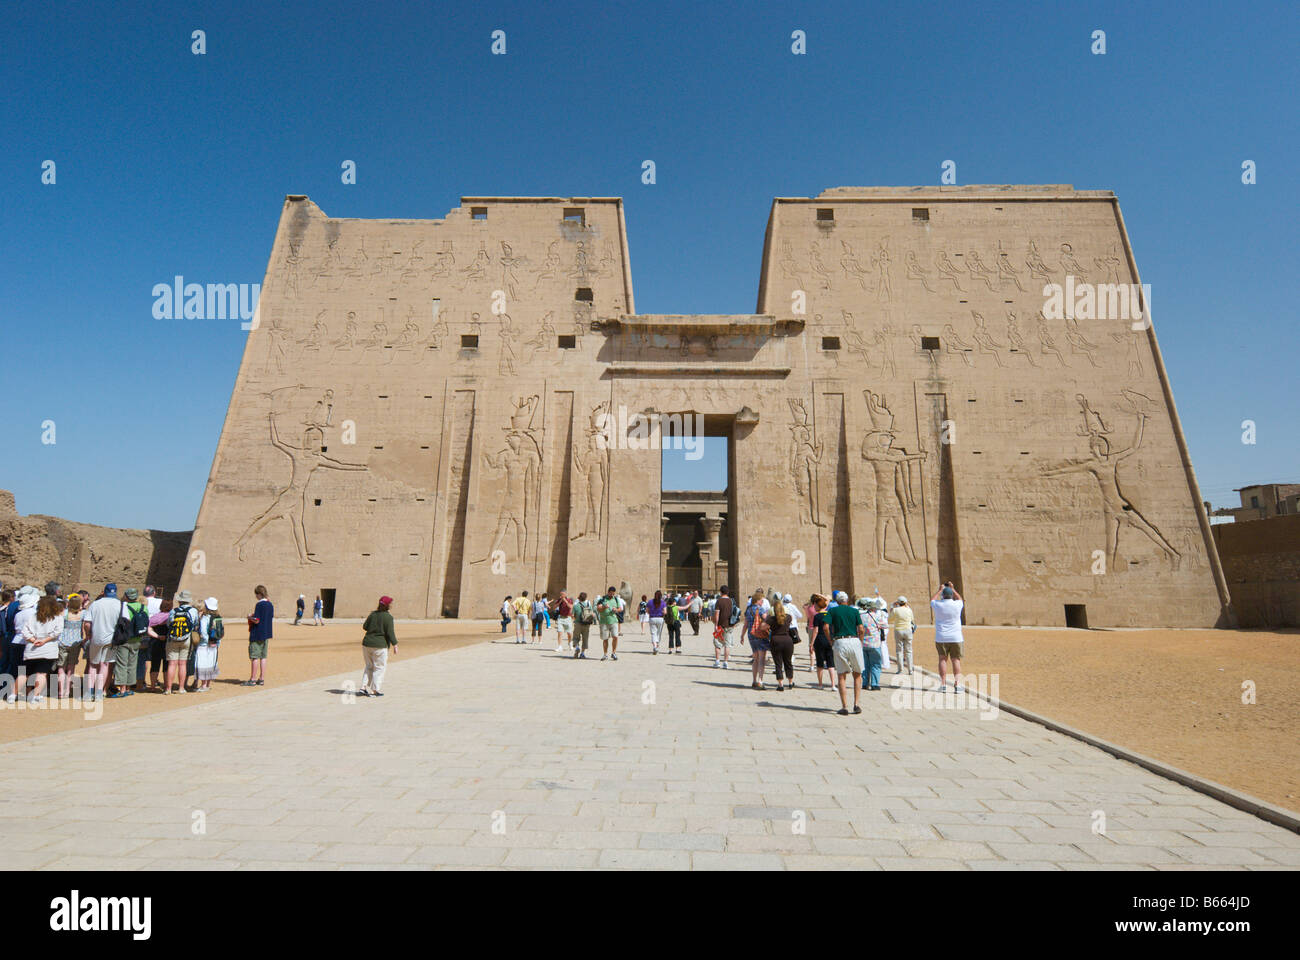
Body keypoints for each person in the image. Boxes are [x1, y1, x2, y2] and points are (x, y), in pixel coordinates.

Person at [82, 583, 123, 702]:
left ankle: (89, 693)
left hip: (96, 638)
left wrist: (89, 634)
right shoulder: (119, 605)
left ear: (104, 592)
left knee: (93, 665)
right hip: (112, 639)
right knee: (105, 665)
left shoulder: (95, 604)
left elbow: (87, 623)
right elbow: (125, 621)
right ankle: (99, 693)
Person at [828, 590, 865, 715]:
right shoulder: (854, 611)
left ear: (837, 601)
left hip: (840, 641)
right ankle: (857, 704)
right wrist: (860, 640)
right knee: (857, 673)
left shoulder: (832, 611)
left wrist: (830, 640)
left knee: (842, 675)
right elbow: (861, 628)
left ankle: (844, 706)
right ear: (847, 600)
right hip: (854, 641)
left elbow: (825, 627)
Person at [20, 593, 61, 703]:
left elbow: (24, 631)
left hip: (32, 648)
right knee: (41, 674)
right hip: (47, 649)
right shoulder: (57, 618)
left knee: (28, 673)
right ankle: (35, 695)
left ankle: (27, 694)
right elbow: (56, 632)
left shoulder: (32, 617)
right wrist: (44, 640)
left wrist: (33, 640)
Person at [108, 587, 149, 698]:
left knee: (122, 663)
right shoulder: (143, 607)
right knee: (132, 663)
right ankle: (129, 687)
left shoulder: (124, 606)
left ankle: (122, 690)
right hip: (137, 639)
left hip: (125, 638)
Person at [359, 595, 398, 697]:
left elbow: (365, 626)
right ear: (388, 605)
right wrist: (395, 644)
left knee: (369, 666)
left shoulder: (372, 614)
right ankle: (375, 690)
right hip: (380, 646)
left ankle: (363, 687)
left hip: (367, 644)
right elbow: (390, 632)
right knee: (379, 668)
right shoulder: (388, 617)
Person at [931, 582, 965, 692]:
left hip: (941, 637)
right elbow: (960, 598)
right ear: (951, 595)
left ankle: (943, 684)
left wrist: (940, 590)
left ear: (942, 595)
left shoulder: (938, 605)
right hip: (956, 637)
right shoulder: (957, 604)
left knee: (942, 659)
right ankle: (957, 684)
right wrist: (953, 588)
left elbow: (932, 600)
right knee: (956, 660)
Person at [165, 589, 200, 695]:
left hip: (173, 638)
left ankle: (168, 689)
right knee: (182, 664)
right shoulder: (193, 611)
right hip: (186, 639)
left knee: (172, 664)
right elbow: (195, 624)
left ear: (180, 600)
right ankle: (181, 688)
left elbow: (168, 624)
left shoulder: (174, 611)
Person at [56, 593, 86, 699]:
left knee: (61, 667)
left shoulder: (63, 613)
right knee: (71, 668)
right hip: (75, 643)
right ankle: (68, 690)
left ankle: (61, 691)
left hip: (62, 642)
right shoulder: (82, 614)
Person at [245, 584, 273, 687]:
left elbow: (257, 620)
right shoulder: (270, 604)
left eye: (256, 594)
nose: (256, 596)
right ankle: (261, 679)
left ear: (259, 594)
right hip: (266, 633)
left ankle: (252, 679)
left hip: (257, 633)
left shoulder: (259, 605)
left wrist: (249, 617)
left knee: (255, 657)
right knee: (263, 657)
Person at [194, 597, 223, 692]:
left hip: (204, 645)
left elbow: (203, 631)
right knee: (211, 663)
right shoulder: (218, 617)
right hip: (214, 644)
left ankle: (203, 685)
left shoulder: (205, 617)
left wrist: (206, 640)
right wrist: (216, 642)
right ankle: (208, 684)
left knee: (203, 664)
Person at [767, 601, 796, 691]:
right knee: (788, 662)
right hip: (788, 641)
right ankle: (790, 682)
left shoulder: (771, 619)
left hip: (776, 640)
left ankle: (780, 684)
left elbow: (762, 626)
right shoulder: (788, 617)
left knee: (778, 663)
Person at [810, 594, 836, 689]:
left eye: (815, 605)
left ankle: (820, 684)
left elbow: (815, 630)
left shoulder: (817, 616)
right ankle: (833, 684)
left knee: (820, 663)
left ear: (818, 605)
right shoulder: (829, 614)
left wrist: (811, 643)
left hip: (820, 640)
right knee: (830, 663)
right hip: (829, 639)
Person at [859, 598, 885, 692]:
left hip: (863, 643)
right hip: (874, 643)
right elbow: (885, 625)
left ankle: (865, 683)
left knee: (865, 665)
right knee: (875, 664)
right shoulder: (876, 617)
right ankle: (874, 684)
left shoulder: (861, 616)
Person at [145, 598, 172, 690]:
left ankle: (152, 686)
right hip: (167, 643)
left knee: (155, 665)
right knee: (166, 665)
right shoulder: (171, 617)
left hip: (155, 643)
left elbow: (149, 630)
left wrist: (157, 636)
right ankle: (166, 685)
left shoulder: (154, 617)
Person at [747, 594, 772, 690]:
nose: (762, 602)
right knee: (762, 659)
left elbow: (746, 623)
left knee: (756, 658)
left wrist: (742, 635)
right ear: (757, 600)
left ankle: (754, 680)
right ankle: (760, 681)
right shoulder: (760, 609)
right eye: (761, 600)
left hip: (751, 635)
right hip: (760, 635)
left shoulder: (748, 610)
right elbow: (767, 619)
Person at [889, 596, 915, 675]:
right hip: (908, 630)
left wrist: (892, 608)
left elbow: (890, 619)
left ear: (898, 603)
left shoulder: (895, 610)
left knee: (899, 651)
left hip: (898, 630)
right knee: (909, 650)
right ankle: (910, 670)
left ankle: (900, 669)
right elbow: (912, 620)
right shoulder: (909, 610)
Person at [596, 587, 622, 661]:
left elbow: (620, 609)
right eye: (611, 593)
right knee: (605, 639)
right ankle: (605, 654)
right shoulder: (602, 599)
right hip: (604, 622)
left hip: (614, 621)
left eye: (613, 593)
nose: (612, 594)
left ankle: (613, 653)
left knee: (615, 637)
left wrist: (616, 610)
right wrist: (604, 607)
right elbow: (598, 609)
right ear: (608, 592)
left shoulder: (616, 599)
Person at [571, 591, 594, 659]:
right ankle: (582, 653)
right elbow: (592, 614)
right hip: (586, 624)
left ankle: (577, 647)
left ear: (579, 598)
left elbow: (572, 615)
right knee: (585, 639)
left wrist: (575, 618)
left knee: (576, 637)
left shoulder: (576, 606)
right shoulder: (588, 605)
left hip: (578, 624)